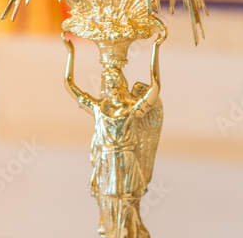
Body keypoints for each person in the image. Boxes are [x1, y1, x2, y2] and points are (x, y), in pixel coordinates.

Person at [62, 24, 167, 238]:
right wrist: (70, 52)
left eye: (116, 83)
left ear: (122, 84)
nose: (113, 88)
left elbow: (155, 87)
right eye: (109, 84)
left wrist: (156, 47)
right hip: (106, 163)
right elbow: (69, 85)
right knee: (107, 208)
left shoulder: (132, 110)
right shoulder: (99, 109)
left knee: (126, 209)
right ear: (104, 87)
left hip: (126, 164)